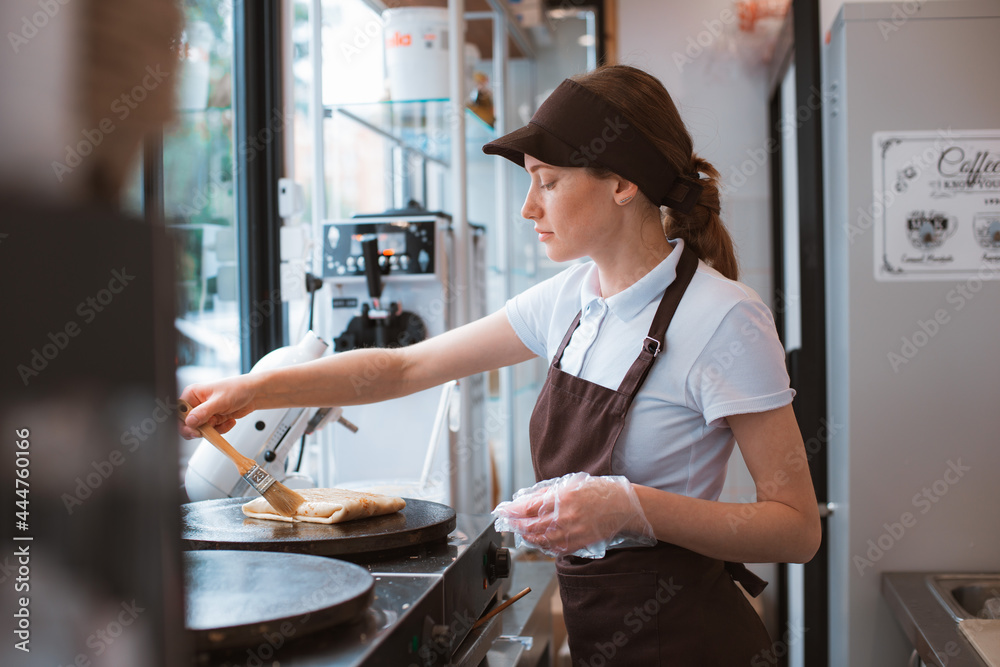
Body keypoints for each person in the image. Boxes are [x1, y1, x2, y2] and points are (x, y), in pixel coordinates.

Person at [179, 64, 821, 664]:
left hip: (694, 643)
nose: (528, 208)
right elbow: (405, 368)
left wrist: (628, 508)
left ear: (625, 183)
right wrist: (257, 389)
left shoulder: (725, 318)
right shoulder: (572, 298)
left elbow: (795, 530)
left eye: (548, 182)